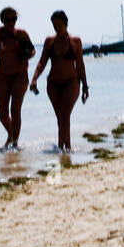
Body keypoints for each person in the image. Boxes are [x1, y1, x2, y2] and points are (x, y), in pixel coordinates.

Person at [30, 10, 88, 151]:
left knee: (65, 114)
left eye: (60, 25)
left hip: (71, 82)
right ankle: (62, 145)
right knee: (60, 116)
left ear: (66, 24)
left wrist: (85, 87)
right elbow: (42, 62)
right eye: (55, 25)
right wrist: (34, 79)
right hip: (53, 84)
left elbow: (80, 65)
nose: (57, 28)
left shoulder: (76, 41)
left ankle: (65, 147)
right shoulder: (50, 41)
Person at [0, 7, 35, 148]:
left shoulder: (21, 34)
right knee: (2, 113)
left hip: (20, 75)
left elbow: (32, 50)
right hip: (2, 76)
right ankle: (11, 134)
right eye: (7, 19)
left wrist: (26, 55)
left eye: (14, 19)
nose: (11, 22)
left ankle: (14, 142)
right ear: (2, 20)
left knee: (15, 109)